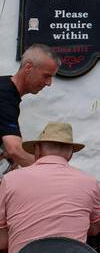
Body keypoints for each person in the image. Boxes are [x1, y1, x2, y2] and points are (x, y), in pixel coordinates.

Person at [0, 120, 100, 253]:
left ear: (37, 150)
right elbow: (94, 229)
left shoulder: (10, 180)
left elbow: (2, 241)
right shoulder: (90, 182)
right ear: (71, 154)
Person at [0, 45, 60, 174]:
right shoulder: (4, 95)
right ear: (28, 68)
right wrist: (51, 174)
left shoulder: (6, 90)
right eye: (46, 76)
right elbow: (15, 149)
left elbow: (11, 152)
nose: (49, 83)